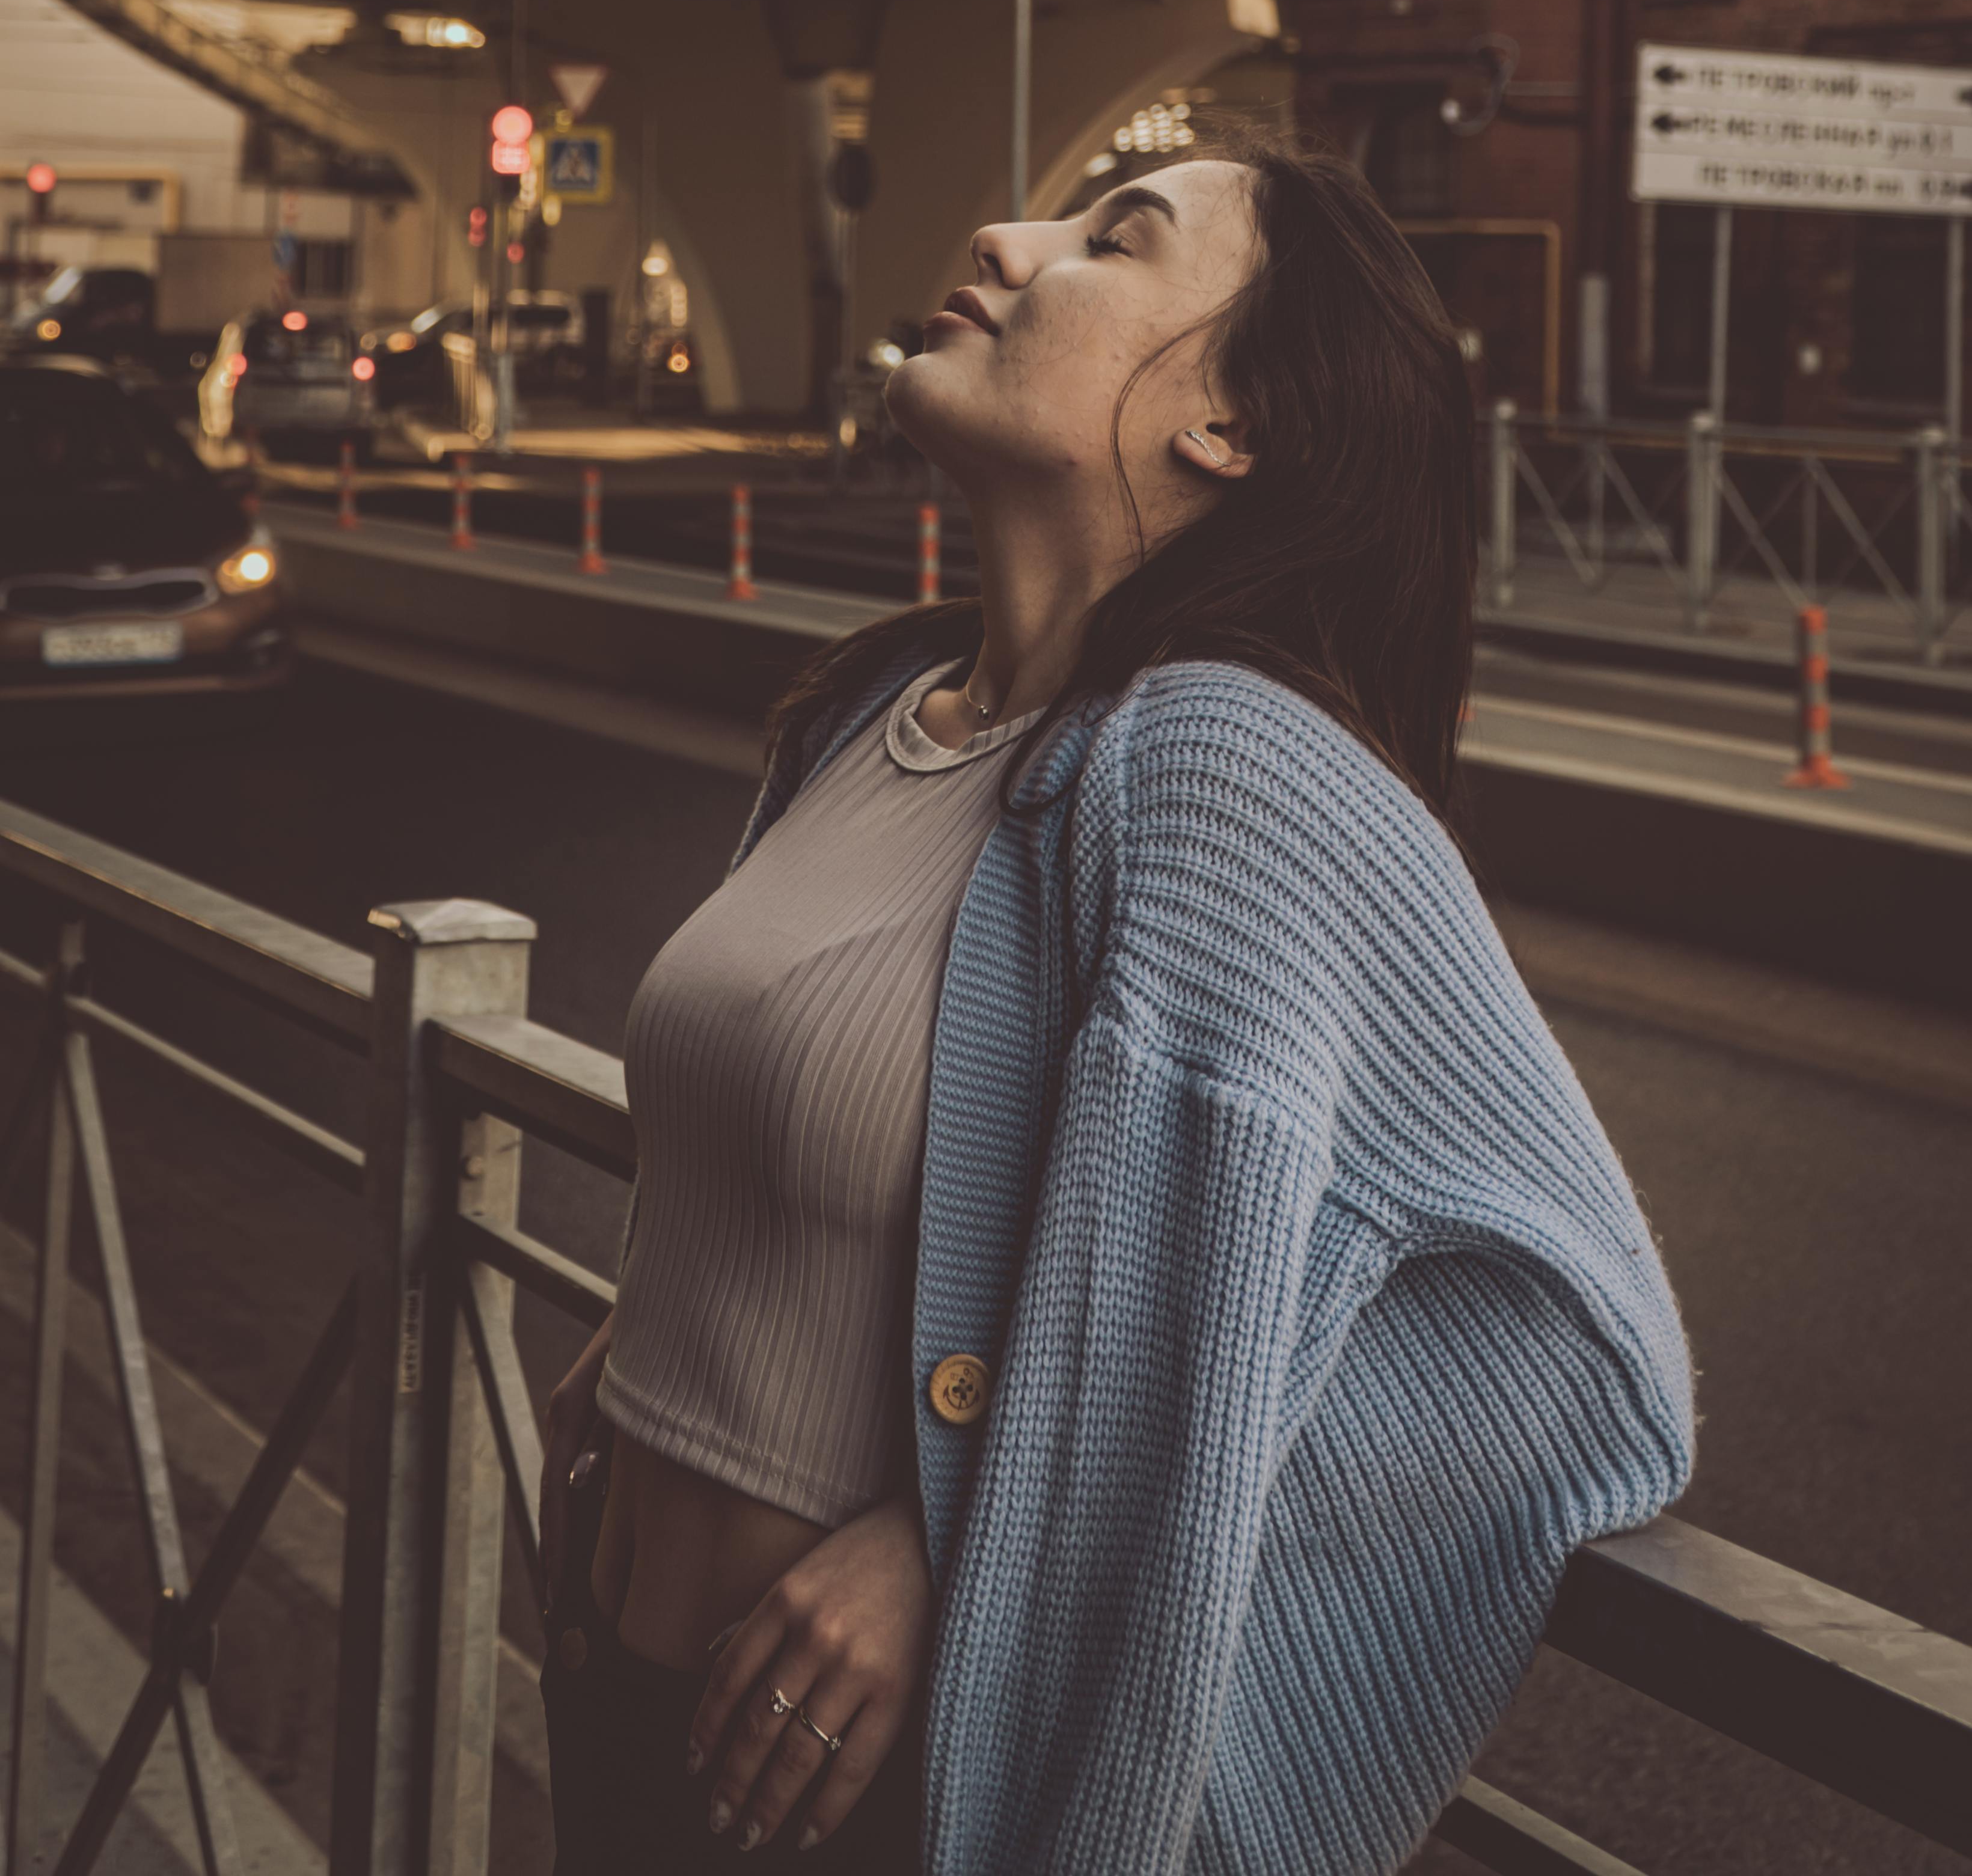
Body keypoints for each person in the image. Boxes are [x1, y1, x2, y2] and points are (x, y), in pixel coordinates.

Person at [540, 136, 1694, 1873]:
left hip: (872, 1788)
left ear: (1229, 427)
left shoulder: (1228, 770)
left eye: (1114, 238)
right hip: (619, 1672)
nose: (1002, 238)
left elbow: (1593, 1359)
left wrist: (964, 1542)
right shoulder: (871, 709)